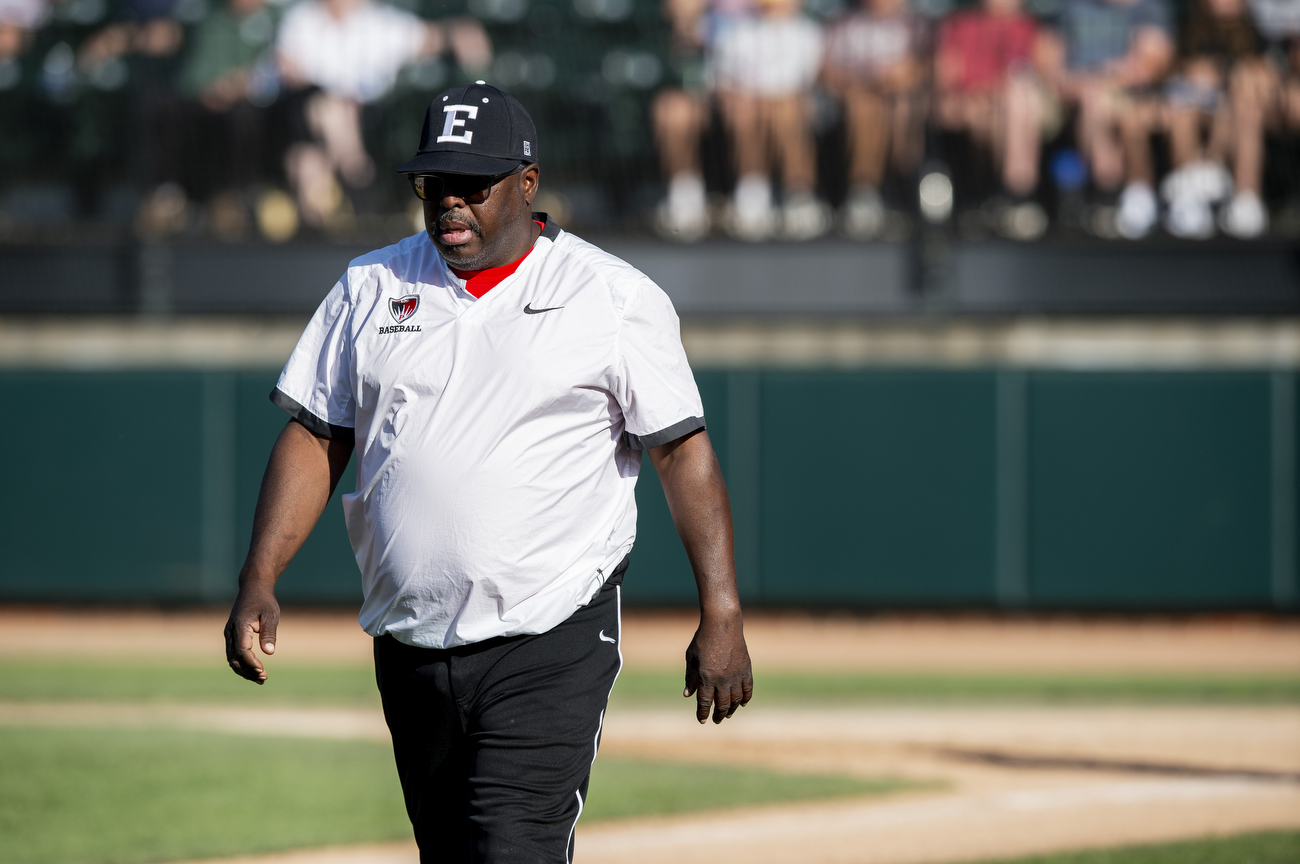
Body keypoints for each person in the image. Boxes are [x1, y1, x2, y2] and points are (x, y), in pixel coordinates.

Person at [223, 82, 754, 864]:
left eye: (474, 185)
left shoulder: (609, 295)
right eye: (435, 184)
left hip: (551, 632)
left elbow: (682, 452)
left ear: (527, 184)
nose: (450, 203)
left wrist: (723, 608)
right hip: (409, 639)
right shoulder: (370, 286)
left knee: (512, 849)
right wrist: (260, 575)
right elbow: (315, 434)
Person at [275, 0, 491, 229]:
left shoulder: (380, 23)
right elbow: (288, 70)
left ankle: (319, 226)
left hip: (365, 117)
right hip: (306, 109)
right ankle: (357, 177)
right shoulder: (301, 18)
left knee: (308, 158)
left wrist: (461, 29)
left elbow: (429, 37)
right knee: (329, 109)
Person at [1042, 0, 1175, 239]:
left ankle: (1108, 194)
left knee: (1098, 103)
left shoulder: (1148, 9)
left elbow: (1148, 66)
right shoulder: (1072, 7)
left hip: (1125, 94)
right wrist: (1068, 83)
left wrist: (1097, 83)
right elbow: (1048, 58)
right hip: (1070, 93)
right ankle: (1017, 200)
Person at [933, 0, 1053, 240]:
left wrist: (994, 97)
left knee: (1017, 101)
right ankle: (1010, 197)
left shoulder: (1032, 27)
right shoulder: (960, 24)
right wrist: (973, 100)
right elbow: (945, 81)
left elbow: (1042, 77)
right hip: (971, 102)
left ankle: (1014, 195)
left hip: (1021, 106)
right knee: (1000, 113)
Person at [711, 0, 826, 240]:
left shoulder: (810, 32)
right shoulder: (738, 31)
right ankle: (753, 192)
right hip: (749, 103)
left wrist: (774, 101)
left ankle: (799, 193)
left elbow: (814, 81)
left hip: (795, 105)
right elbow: (721, 80)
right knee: (746, 113)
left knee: (786, 112)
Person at [1161, 0, 1271, 238]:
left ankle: (1245, 197)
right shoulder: (1192, 25)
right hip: (1196, 100)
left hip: (1238, 104)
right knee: (1181, 110)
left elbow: (1262, 69)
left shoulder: (1254, 27)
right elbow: (1180, 67)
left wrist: (1227, 76)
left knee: (1244, 109)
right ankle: (1190, 196)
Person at [821, 0, 927, 239]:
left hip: (901, 100)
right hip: (853, 98)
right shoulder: (842, 24)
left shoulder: (916, 24)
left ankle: (902, 189)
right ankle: (864, 191)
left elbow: (926, 67)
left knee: (899, 108)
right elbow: (824, 68)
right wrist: (856, 82)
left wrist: (899, 76)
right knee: (864, 109)